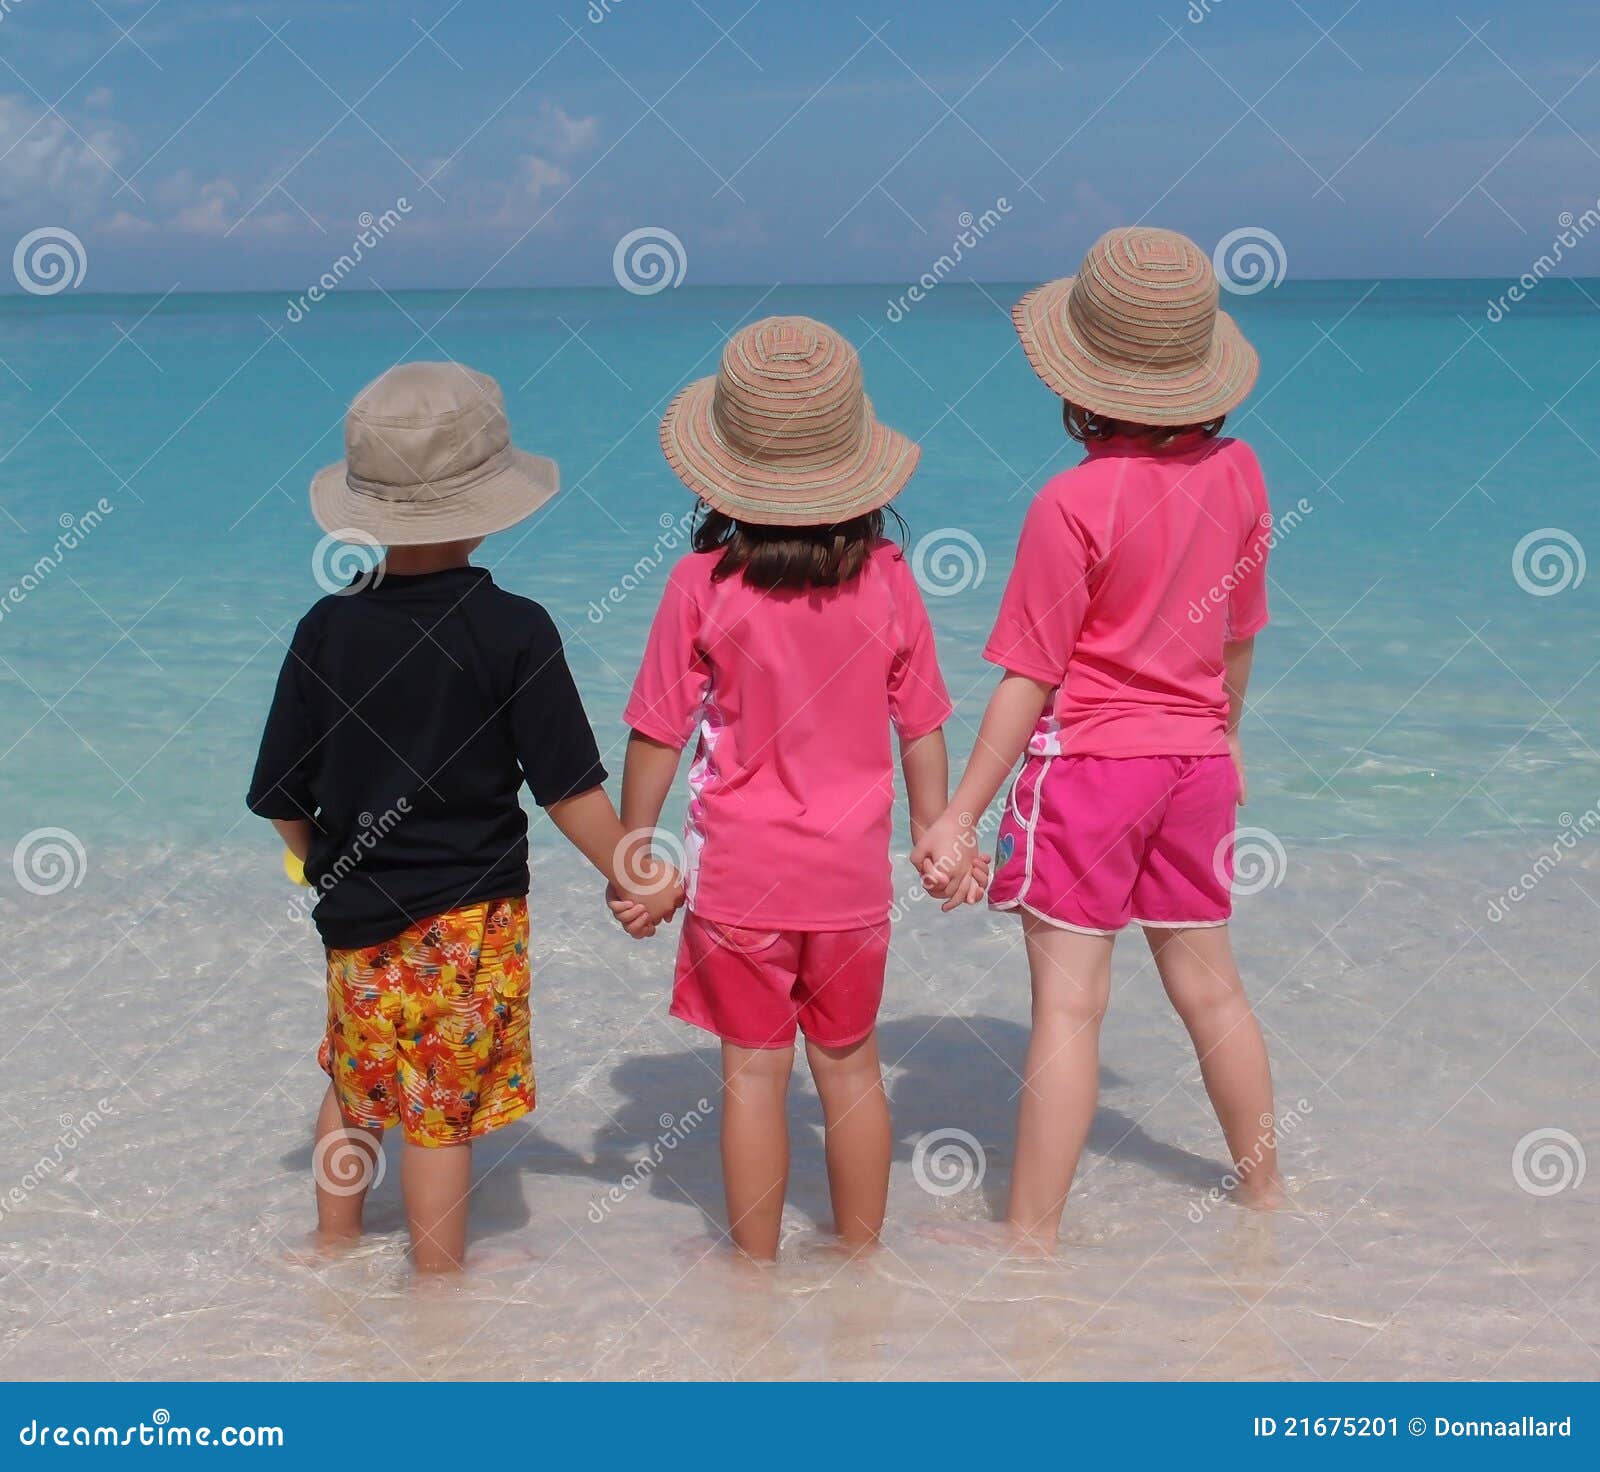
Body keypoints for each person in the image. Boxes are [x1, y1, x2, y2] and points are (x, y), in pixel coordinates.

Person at [248, 361, 680, 1273]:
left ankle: (330, 1246)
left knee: (355, 1081)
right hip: (467, 919)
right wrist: (635, 870)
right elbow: (567, 792)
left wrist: (319, 864)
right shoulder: (515, 630)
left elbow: (280, 793)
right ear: (487, 505)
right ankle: (439, 1289)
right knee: (439, 1112)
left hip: (354, 915)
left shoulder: (324, 628)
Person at [913, 227, 1287, 1249]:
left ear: (1079, 378)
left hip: (1089, 773)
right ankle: (1265, 1200)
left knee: (1070, 1008)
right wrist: (1225, 735)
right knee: (1212, 989)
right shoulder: (1243, 473)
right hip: (1196, 764)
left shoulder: (1070, 502)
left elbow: (1029, 677)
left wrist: (955, 812)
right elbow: (1238, 634)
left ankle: (1030, 1235)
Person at [610, 316, 983, 1261]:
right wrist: (936, 828)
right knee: (851, 1066)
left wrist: (635, 846)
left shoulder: (702, 582)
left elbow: (659, 727)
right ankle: (860, 1260)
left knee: (752, 1075)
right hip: (851, 884)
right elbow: (922, 722)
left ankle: (754, 1275)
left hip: (743, 880)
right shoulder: (891, 579)